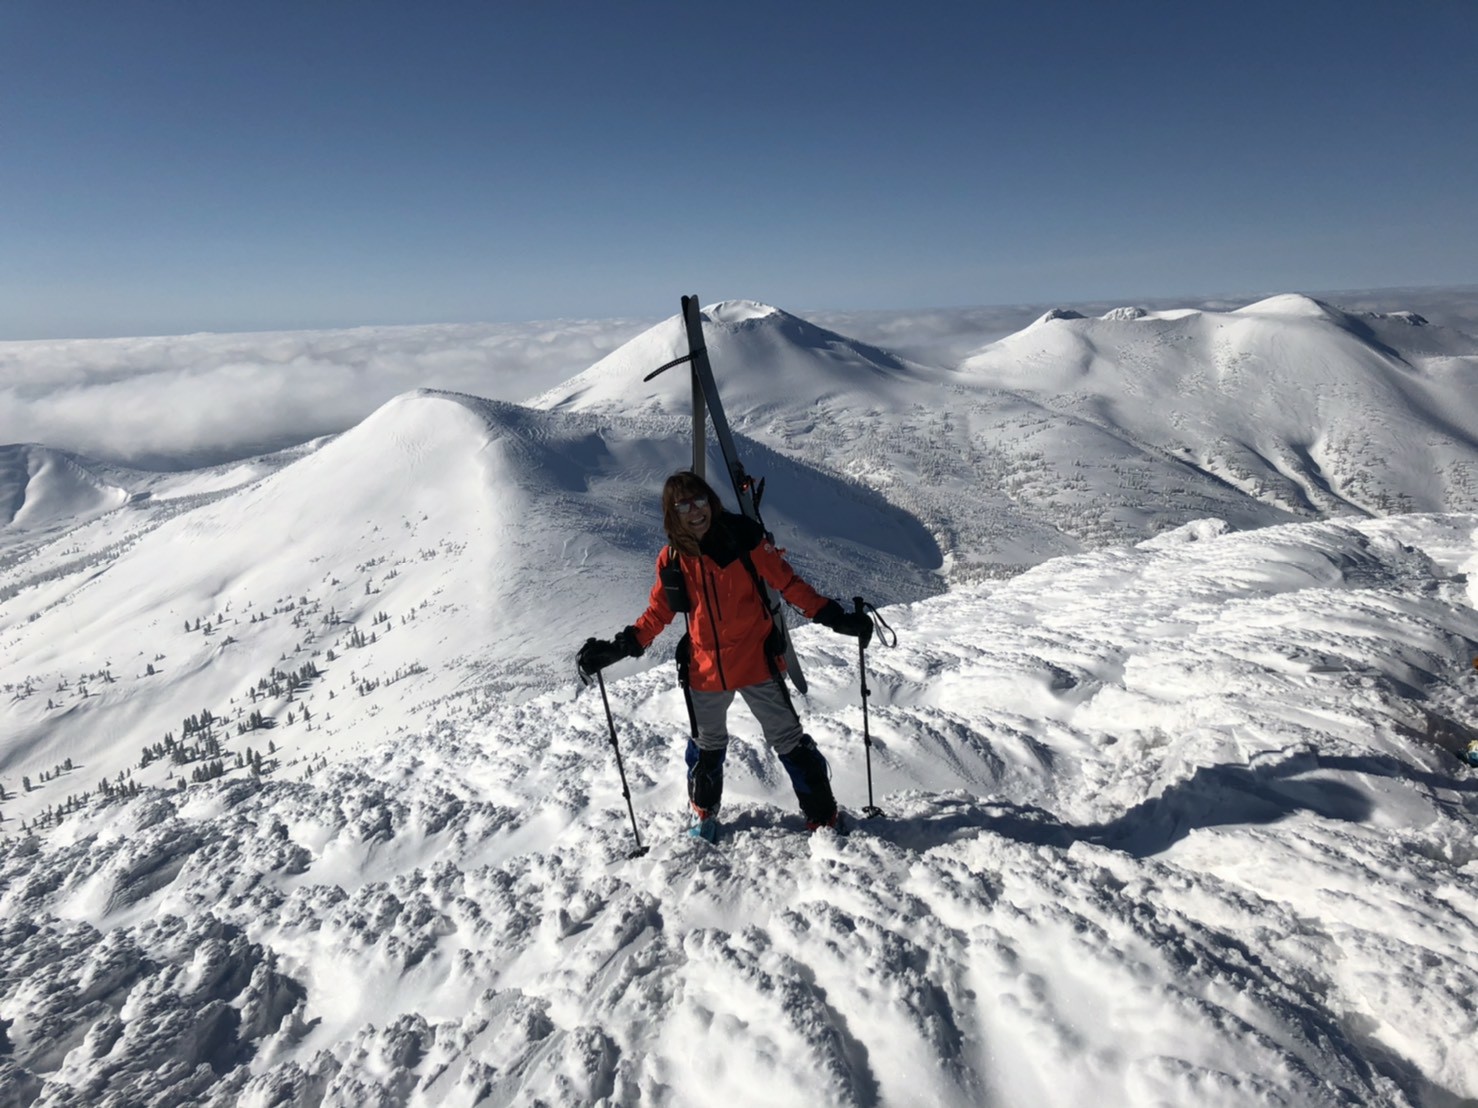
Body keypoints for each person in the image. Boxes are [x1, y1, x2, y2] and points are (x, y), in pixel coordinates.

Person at [577, 470, 874, 841]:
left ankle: (822, 818)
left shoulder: (744, 538)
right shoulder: (672, 559)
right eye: (682, 504)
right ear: (672, 513)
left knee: (789, 741)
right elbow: (659, 613)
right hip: (704, 671)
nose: (694, 510)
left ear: (710, 500)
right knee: (707, 749)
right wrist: (620, 648)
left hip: (755, 661)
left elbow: (788, 583)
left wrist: (834, 617)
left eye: (699, 499)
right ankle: (704, 816)